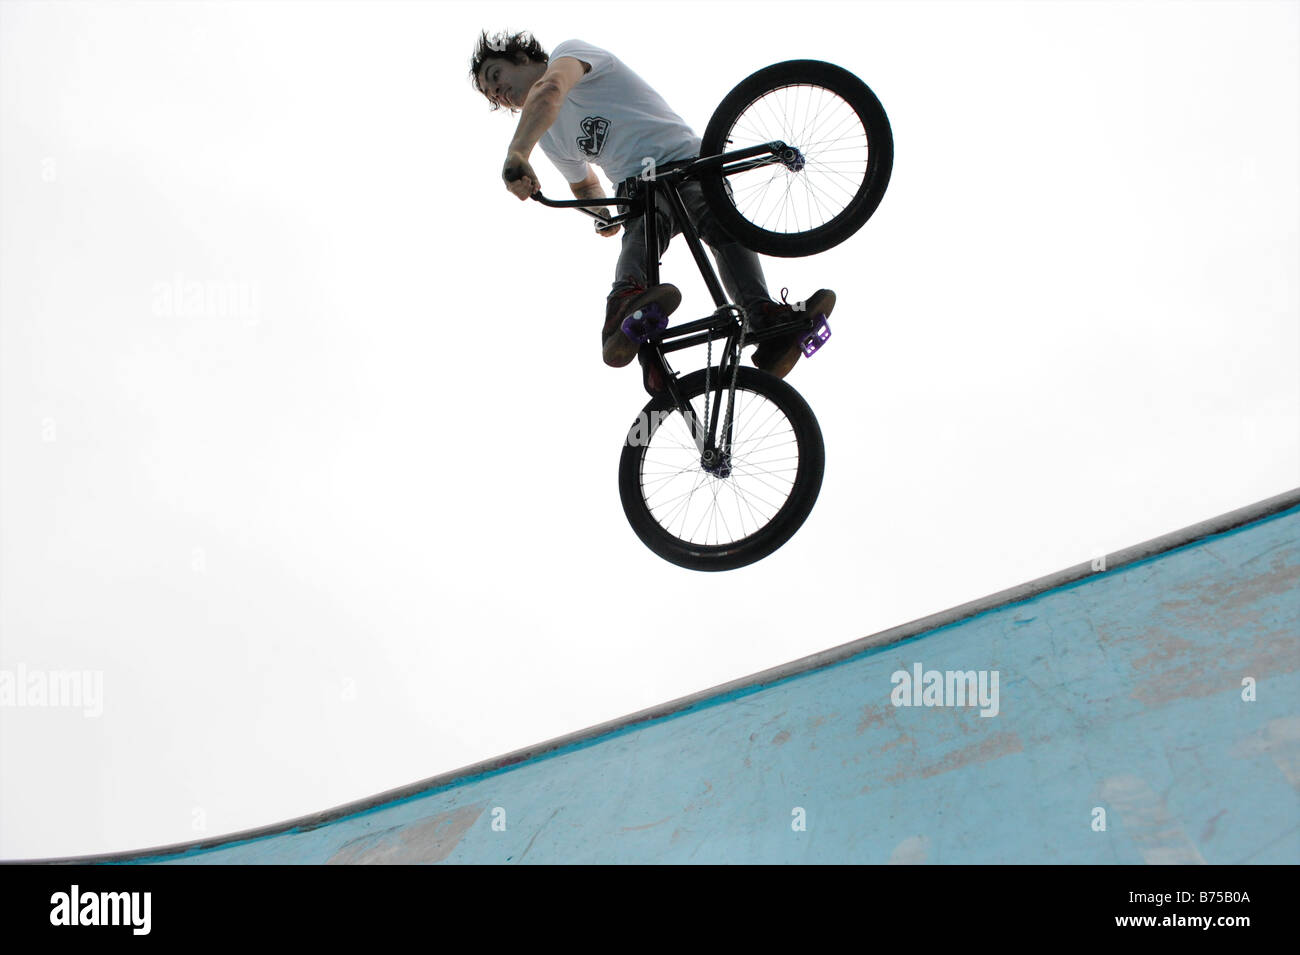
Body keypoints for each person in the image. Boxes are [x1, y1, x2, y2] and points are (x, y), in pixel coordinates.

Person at [469, 30, 834, 393]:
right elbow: (585, 187)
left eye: (496, 77)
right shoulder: (547, 135)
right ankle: (632, 320)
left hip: (689, 162)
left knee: (723, 226)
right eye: (491, 95)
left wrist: (517, 153)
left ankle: (765, 324)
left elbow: (549, 92)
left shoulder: (570, 54)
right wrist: (601, 217)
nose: (497, 92)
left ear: (521, 58)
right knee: (645, 220)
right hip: (639, 186)